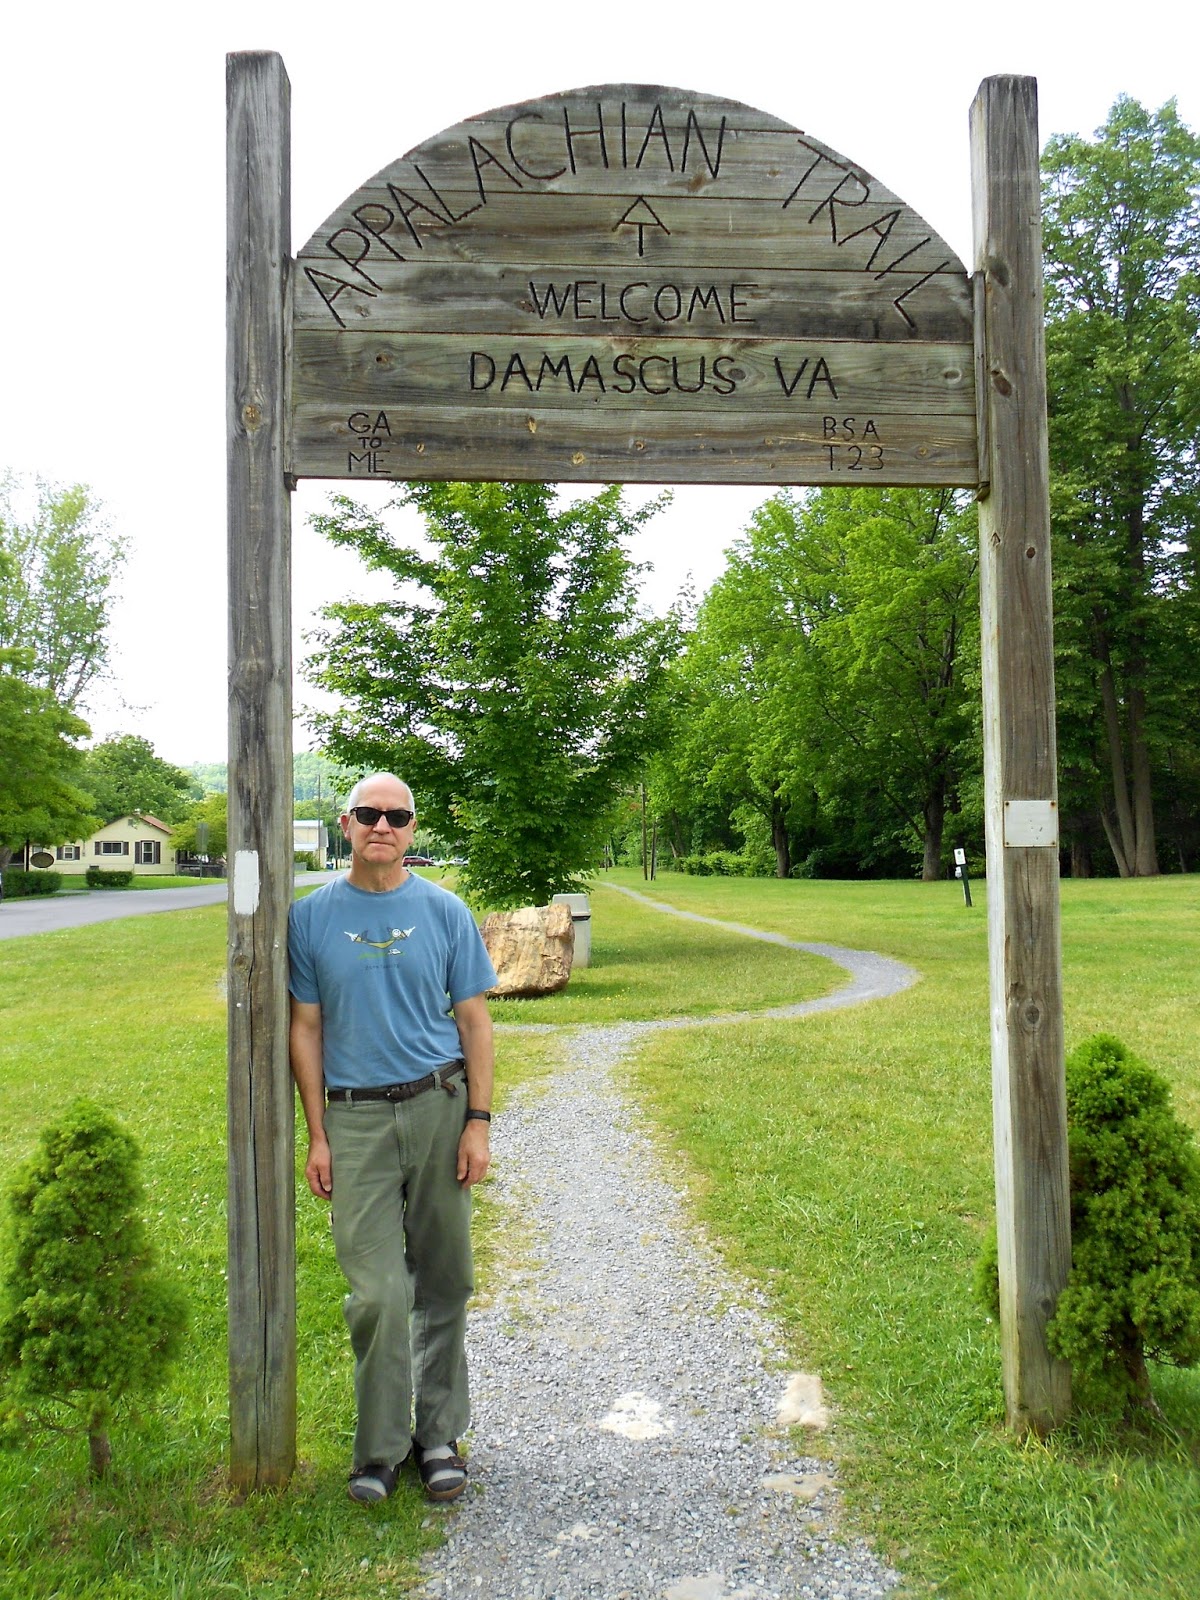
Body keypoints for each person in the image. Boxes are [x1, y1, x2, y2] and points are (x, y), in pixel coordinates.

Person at [288, 773, 497, 1504]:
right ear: (346, 824)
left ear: (413, 830)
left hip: (439, 1109)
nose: (384, 825)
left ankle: (437, 1437)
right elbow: (306, 1027)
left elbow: (474, 1021)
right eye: (370, 814)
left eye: (398, 816)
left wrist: (478, 1121)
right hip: (354, 1119)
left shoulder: (444, 911)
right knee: (376, 1292)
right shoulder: (309, 919)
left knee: (445, 1278)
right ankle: (378, 1449)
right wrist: (317, 1135)